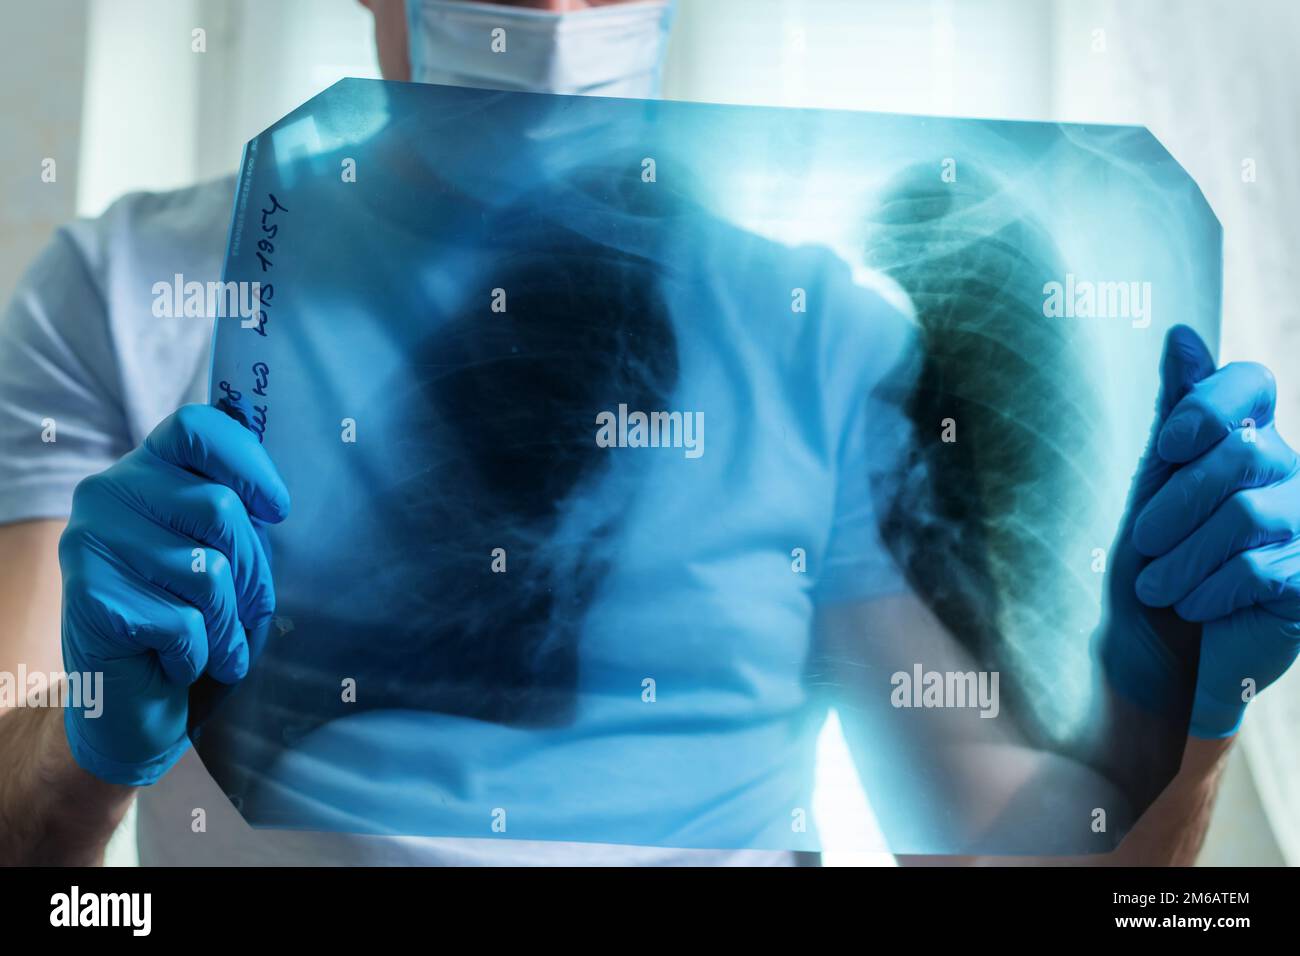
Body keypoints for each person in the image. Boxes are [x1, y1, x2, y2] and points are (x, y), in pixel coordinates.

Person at [1, 0, 1297, 866]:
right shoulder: (122, 298)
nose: (558, 15)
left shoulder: (813, 331)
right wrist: (96, 716)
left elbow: (997, 842)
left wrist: (1175, 715)